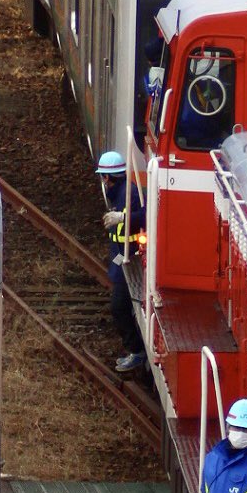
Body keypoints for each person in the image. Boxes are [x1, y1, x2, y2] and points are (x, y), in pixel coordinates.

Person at [96, 149, 146, 374]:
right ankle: (135, 349)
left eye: (102, 177)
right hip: (120, 256)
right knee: (121, 304)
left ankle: (137, 351)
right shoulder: (119, 192)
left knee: (119, 307)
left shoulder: (130, 193)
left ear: (108, 177)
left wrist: (123, 218)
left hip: (131, 258)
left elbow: (146, 215)